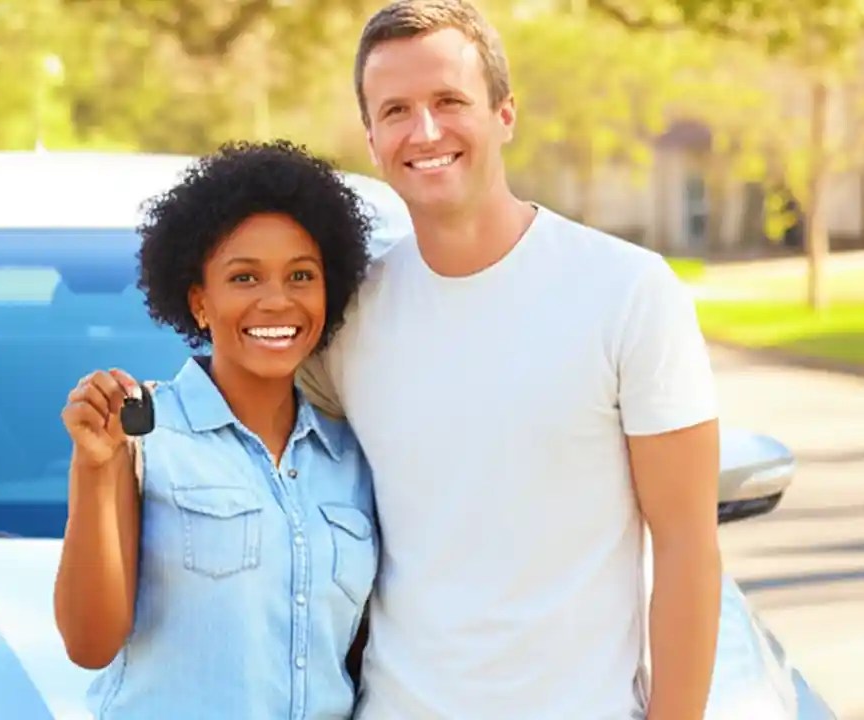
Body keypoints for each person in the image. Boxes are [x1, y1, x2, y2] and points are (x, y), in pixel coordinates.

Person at [296, 2, 723, 718]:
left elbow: (686, 546)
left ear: (504, 114)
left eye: (449, 101)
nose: (424, 131)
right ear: (371, 139)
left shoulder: (627, 292)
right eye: (396, 110)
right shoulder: (348, 317)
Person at [53, 139, 377, 719]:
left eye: (301, 275)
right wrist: (95, 467)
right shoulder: (142, 437)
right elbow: (89, 644)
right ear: (200, 302)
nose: (277, 301)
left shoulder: (352, 457)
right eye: (245, 278)